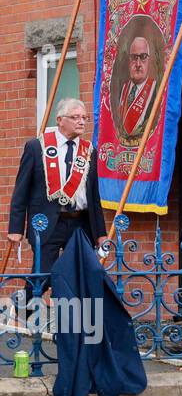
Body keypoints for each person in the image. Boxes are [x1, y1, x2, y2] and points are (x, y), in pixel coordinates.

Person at [7, 98, 108, 328]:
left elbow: (94, 197)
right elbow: (21, 190)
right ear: (60, 120)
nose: (81, 122)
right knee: (42, 273)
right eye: (76, 117)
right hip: (47, 222)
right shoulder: (36, 147)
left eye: (84, 118)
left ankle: (74, 321)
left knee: (80, 270)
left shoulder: (88, 151)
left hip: (80, 222)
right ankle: (26, 315)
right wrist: (15, 228)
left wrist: (100, 233)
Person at [118, 36, 157, 140]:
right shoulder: (121, 89)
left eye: (143, 57)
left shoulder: (157, 91)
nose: (138, 64)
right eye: (134, 57)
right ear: (129, 60)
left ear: (149, 60)